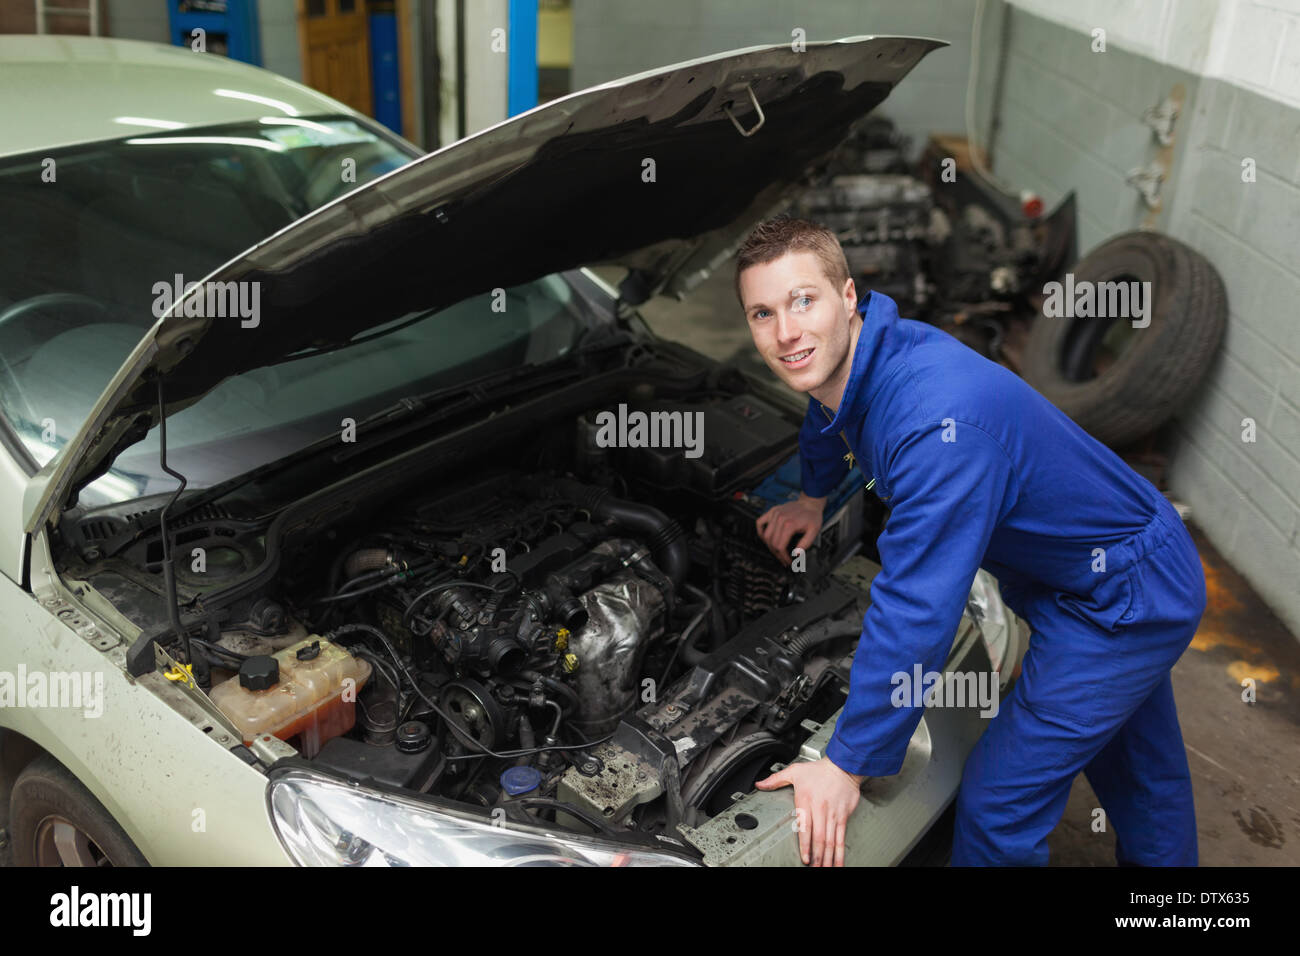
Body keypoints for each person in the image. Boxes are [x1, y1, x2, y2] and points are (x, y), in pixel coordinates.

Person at [739, 216, 1205, 868]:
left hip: (1123, 599)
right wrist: (812, 500)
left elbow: (917, 609)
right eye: (763, 312)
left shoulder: (936, 428)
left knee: (997, 804)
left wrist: (847, 762)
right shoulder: (861, 351)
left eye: (802, 301)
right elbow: (825, 414)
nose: (785, 332)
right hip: (1100, 566)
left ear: (848, 297)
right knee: (1139, 768)